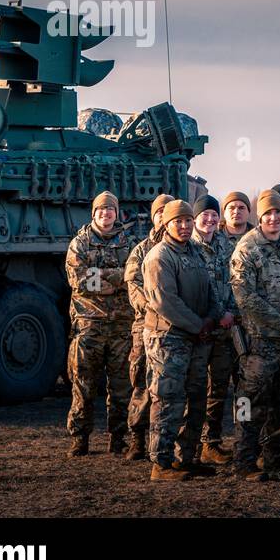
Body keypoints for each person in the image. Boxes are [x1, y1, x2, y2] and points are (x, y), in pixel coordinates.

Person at [228, 190, 280, 481]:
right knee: (250, 403)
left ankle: (278, 461)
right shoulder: (247, 249)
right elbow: (245, 297)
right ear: (260, 217)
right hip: (260, 343)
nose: (275, 218)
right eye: (268, 214)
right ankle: (244, 462)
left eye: (279, 213)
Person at [142, 200, 223, 481]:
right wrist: (198, 324)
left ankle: (185, 458)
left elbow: (211, 290)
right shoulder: (159, 256)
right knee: (167, 399)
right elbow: (165, 302)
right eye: (179, 221)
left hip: (197, 338)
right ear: (166, 223)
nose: (185, 226)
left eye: (189, 221)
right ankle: (161, 464)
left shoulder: (196, 253)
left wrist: (211, 317)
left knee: (195, 399)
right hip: (168, 339)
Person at [63, 191, 136, 458]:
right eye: (101, 210)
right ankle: (80, 438)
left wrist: (104, 279)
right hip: (89, 323)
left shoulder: (128, 242)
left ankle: (118, 438)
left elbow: (132, 275)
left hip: (121, 324)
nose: (106, 214)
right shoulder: (80, 243)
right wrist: (114, 280)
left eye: (110, 210)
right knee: (83, 383)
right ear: (93, 214)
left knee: (120, 385)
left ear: (116, 214)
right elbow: (78, 279)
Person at [124, 193, 175, 459]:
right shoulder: (142, 250)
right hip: (147, 325)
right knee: (143, 382)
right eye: (160, 212)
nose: (164, 217)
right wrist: (155, 307)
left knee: (169, 386)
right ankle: (137, 438)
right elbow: (133, 286)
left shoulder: (185, 247)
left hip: (176, 328)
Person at [190, 195, 239, 464]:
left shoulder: (225, 245)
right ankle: (190, 444)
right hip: (198, 330)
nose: (209, 220)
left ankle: (212, 442)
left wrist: (229, 312)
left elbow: (236, 282)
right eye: (204, 215)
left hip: (224, 331)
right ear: (195, 219)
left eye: (213, 214)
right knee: (195, 388)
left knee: (218, 389)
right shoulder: (187, 246)